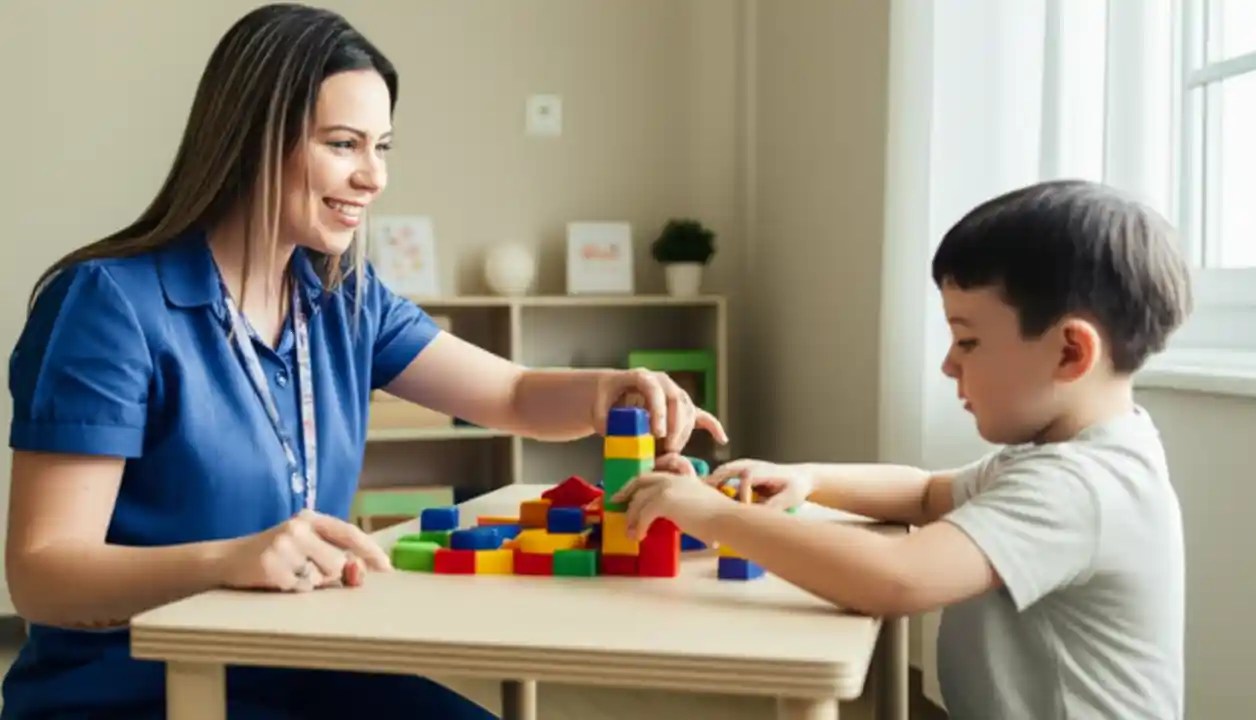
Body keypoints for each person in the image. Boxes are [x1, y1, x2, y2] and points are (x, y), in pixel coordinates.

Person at [2, 4, 726, 719]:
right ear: (252, 140)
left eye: (383, 148)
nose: (373, 177)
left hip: (302, 663)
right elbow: (42, 573)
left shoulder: (344, 298)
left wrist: (612, 390)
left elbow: (510, 395)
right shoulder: (110, 306)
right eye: (344, 144)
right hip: (131, 688)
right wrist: (227, 562)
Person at [615, 180, 1190, 719]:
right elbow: (924, 493)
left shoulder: (1080, 486)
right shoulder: (1064, 455)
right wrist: (807, 478)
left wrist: (713, 514)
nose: (948, 363)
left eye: (968, 340)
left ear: (1069, 353)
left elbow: (898, 579)